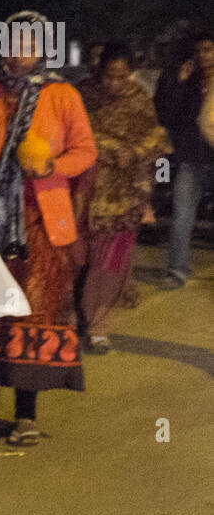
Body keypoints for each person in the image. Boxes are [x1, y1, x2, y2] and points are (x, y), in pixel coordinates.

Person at [0, 11, 97, 446]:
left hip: (43, 222)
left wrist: (52, 165)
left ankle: (25, 413)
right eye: (12, 41)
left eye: (30, 43)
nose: (19, 50)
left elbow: (86, 150)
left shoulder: (61, 93)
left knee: (34, 313)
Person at [75, 44, 170, 353]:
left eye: (121, 77)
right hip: (83, 191)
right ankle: (72, 318)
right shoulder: (81, 95)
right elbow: (75, 134)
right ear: (98, 71)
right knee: (78, 259)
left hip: (124, 196)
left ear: (131, 73)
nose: (114, 84)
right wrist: (111, 148)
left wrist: (137, 154)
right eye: (108, 77)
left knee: (110, 263)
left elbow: (156, 140)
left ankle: (99, 325)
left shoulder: (139, 99)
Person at [153, 34, 214, 290]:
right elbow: (166, 117)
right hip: (191, 158)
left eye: (209, 50)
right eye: (199, 50)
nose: (203, 55)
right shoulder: (184, 80)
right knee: (182, 215)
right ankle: (177, 270)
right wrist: (179, 84)